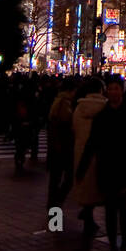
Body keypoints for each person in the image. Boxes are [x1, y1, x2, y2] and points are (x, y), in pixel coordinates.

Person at [77, 76, 126, 251]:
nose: (113, 92)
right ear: (106, 91)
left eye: (116, 88)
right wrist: (82, 167)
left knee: (125, 210)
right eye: (110, 89)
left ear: (122, 90)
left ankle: (124, 244)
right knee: (110, 210)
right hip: (107, 167)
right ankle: (112, 246)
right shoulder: (102, 116)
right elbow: (92, 143)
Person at [71, 78, 109, 236]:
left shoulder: (79, 108)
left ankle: (87, 214)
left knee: (86, 185)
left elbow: (74, 129)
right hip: (102, 152)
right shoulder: (106, 108)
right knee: (101, 185)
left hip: (82, 150)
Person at [46, 79, 77, 210]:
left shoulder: (58, 100)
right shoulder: (65, 103)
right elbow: (63, 124)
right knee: (68, 177)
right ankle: (56, 201)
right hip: (63, 145)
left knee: (55, 178)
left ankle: (52, 203)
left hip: (56, 146)